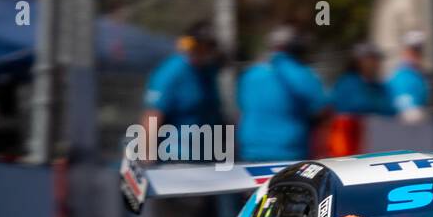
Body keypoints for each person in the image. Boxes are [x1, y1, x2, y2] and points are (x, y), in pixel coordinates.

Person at [237, 26, 330, 163]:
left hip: (250, 151)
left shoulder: (250, 73)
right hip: (288, 152)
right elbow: (321, 108)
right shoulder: (301, 73)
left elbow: (242, 107)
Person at [142, 20, 224, 155]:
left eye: (208, 47)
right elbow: (152, 115)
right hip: (176, 156)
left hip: (206, 154)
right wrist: (147, 154)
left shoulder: (207, 71)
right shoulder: (172, 72)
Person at [331, 43, 393, 116]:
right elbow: (359, 106)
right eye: (372, 59)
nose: (376, 63)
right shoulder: (347, 84)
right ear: (359, 61)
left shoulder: (379, 87)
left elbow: (391, 108)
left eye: (377, 59)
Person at [386, 29, 430, 124]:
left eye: (419, 49)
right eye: (413, 49)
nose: (417, 53)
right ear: (404, 51)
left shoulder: (420, 75)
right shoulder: (400, 77)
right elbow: (407, 111)